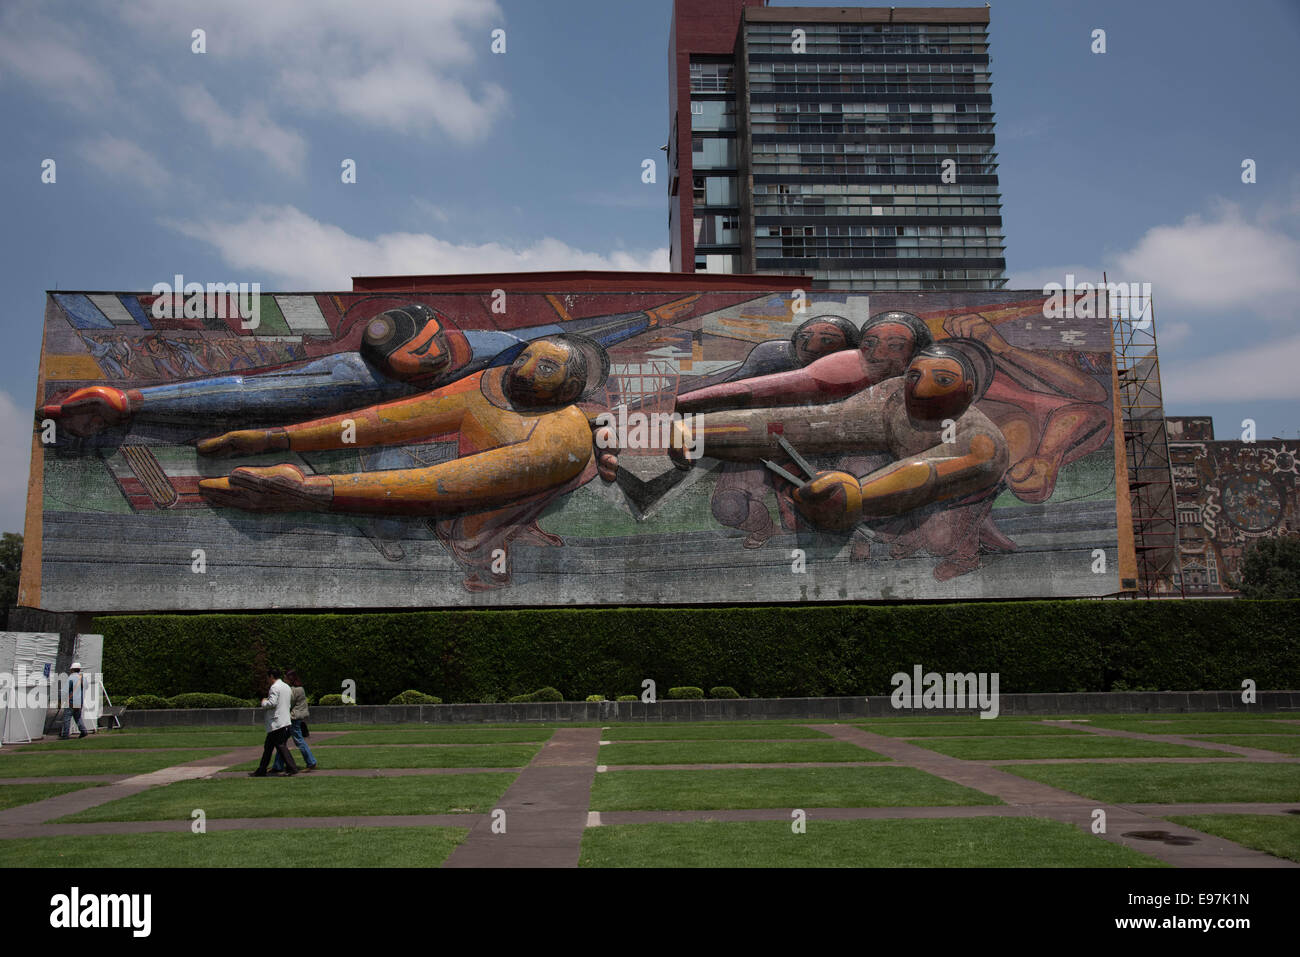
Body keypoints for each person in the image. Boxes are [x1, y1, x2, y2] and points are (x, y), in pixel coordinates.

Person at [197, 335, 614, 591]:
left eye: (544, 367)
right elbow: (384, 422)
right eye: (524, 357)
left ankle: (489, 552)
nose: (522, 370)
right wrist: (270, 438)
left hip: (483, 508)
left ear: (572, 386)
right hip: (458, 504)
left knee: (470, 530)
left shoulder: (561, 440)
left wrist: (310, 492)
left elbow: (438, 486)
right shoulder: (494, 384)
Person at [251, 667, 298, 777]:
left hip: (276, 723)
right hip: (284, 721)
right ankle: (262, 769)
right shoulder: (286, 686)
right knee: (269, 747)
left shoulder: (275, 687)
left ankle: (291, 767)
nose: (268, 679)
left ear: (271, 676)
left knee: (279, 746)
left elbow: (272, 703)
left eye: (268, 677)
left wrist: (264, 702)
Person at [272, 669, 317, 773]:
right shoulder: (300, 688)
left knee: (297, 741)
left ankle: (311, 761)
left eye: (285, 678)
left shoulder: (292, 690)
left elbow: (288, 703)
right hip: (297, 717)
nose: (284, 680)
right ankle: (277, 765)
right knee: (282, 742)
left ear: (290, 679)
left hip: (293, 718)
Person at [60, 661, 88, 739]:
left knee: (67, 718)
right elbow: (86, 687)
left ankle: (65, 735)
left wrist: (60, 700)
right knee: (78, 717)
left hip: (71, 702)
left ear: (72, 669)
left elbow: (65, 691)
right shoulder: (83, 678)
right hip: (80, 702)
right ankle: (83, 731)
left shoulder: (71, 678)